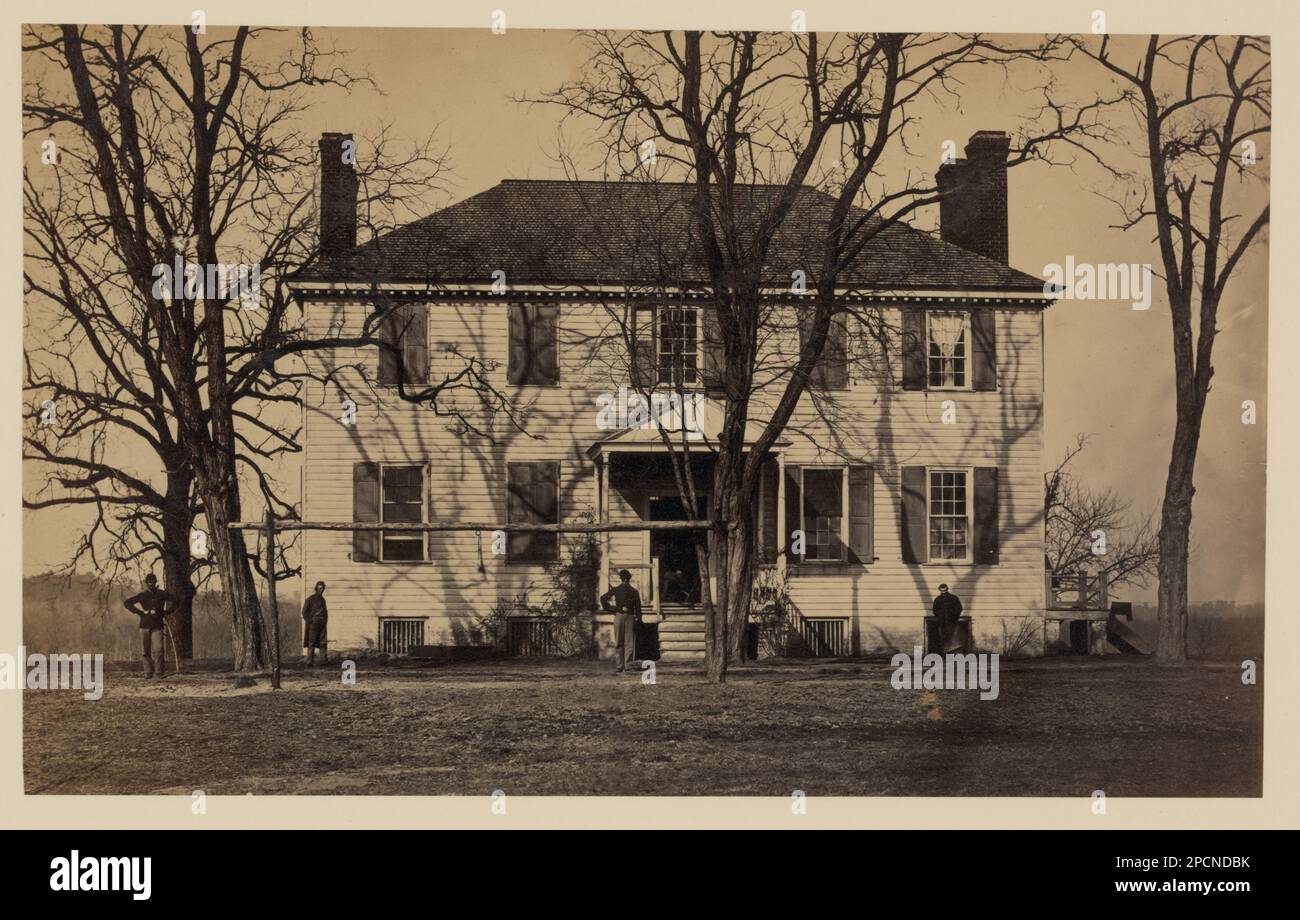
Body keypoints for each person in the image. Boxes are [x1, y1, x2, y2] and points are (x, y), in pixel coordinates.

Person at [124, 574, 174, 678]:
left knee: (159, 649)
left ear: (155, 582)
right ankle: (148, 672)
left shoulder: (162, 594)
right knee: (145, 651)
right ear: (146, 583)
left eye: (153, 581)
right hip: (144, 626)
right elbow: (127, 603)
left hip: (157, 626)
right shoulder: (143, 595)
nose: (151, 583)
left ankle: (159, 673)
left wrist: (165, 612)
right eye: (149, 582)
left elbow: (177, 600)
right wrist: (139, 612)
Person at [600, 569, 642, 673]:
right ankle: (621, 666)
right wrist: (611, 608)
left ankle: (626, 666)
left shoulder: (634, 591)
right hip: (621, 616)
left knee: (628, 642)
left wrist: (638, 620)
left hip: (628, 617)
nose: (625, 581)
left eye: (626, 579)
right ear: (624, 579)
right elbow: (603, 598)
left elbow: (638, 608)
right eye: (625, 579)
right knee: (622, 642)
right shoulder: (617, 589)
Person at [302, 581, 329, 667]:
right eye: (320, 588)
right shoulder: (310, 599)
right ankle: (309, 661)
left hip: (322, 623)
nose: (321, 590)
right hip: (313, 623)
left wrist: (325, 620)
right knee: (312, 642)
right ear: (316, 589)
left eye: (323, 589)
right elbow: (304, 612)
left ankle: (323, 660)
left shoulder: (323, 600)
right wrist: (310, 620)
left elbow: (325, 611)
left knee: (323, 641)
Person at [932, 583, 964, 653]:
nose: (943, 593)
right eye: (942, 591)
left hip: (953, 622)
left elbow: (959, 608)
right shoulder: (938, 599)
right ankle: (945, 653)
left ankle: (954, 654)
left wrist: (954, 617)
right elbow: (935, 610)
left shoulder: (954, 598)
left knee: (954, 639)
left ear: (947, 589)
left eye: (945, 591)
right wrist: (939, 617)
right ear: (939, 590)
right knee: (943, 638)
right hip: (942, 622)